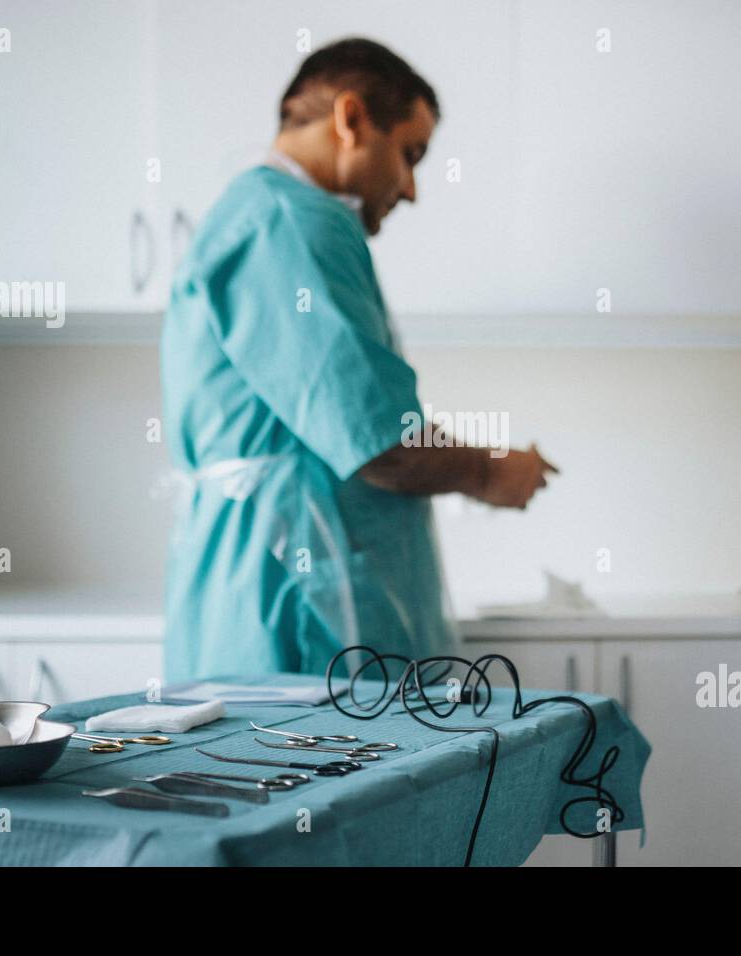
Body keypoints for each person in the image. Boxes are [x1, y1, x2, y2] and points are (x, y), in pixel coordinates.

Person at [159, 38, 556, 683]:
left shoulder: (262, 216)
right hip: (301, 604)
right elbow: (380, 445)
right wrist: (490, 472)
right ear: (351, 119)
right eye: (410, 154)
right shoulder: (290, 223)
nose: (411, 188)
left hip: (262, 591)